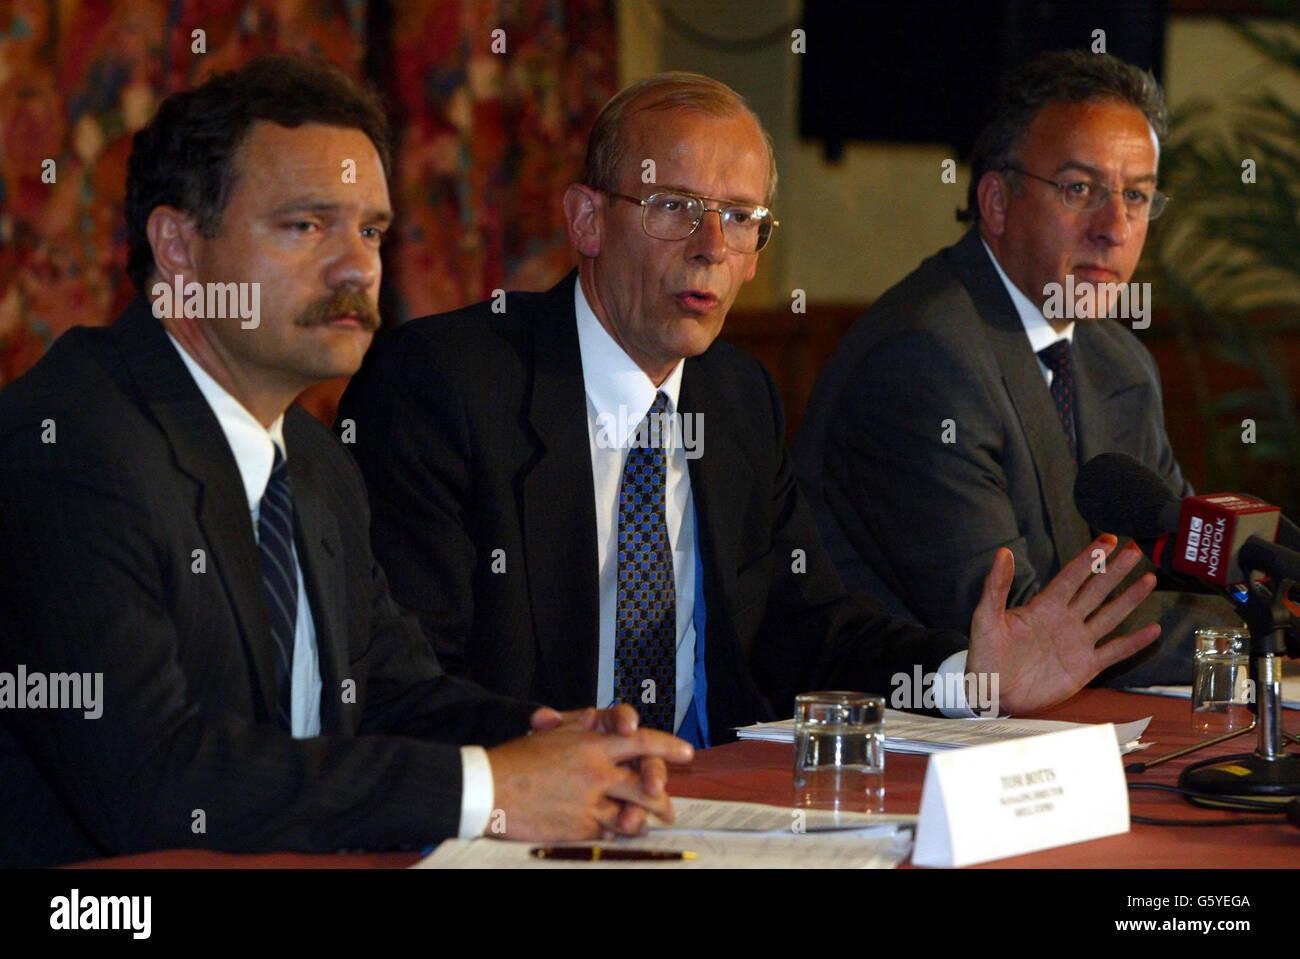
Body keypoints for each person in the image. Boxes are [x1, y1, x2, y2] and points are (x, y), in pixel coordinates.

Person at [0, 56, 692, 869]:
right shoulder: (69, 446)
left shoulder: (318, 460)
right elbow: (158, 780)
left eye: (370, 230)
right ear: (178, 249)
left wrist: (552, 740)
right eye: (305, 225)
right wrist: (489, 788)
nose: (357, 268)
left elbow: (388, 695)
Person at [338, 70, 1161, 747]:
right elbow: (407, 679)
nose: (711, 247)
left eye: (740, 218)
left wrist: (965, 675)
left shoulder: (734, 397)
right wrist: (566, 747)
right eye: (674, 207)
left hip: (724, 806)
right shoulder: (445, 383)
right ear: (587, 219)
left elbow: (805, 626)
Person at [794, 51, 1239, 687]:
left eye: (1136, 196)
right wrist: (1259, 632)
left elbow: (1183, 565)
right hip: (896, 752)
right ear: (997, 202)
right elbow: (1028, 628)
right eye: (1080, 189)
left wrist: (1264, 599)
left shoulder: (1119, 361)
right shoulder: (923, 360)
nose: (1113, 228)